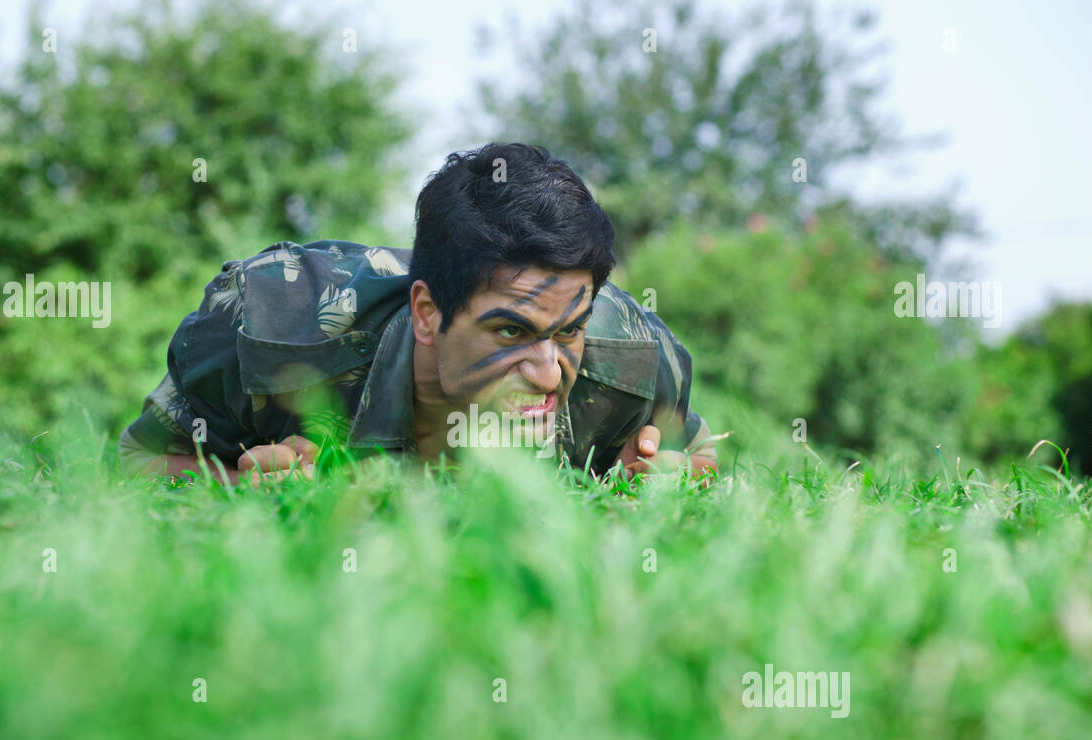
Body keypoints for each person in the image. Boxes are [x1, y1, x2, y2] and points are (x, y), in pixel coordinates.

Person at [118, 142, 719, 485]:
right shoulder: (267, 327)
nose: (546, 373)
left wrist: (662, 476)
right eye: (511, 330)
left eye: (569, 331)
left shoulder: (629, 356)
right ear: (427, 312)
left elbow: (699, 456)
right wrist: (238, 483)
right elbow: (135, 463)